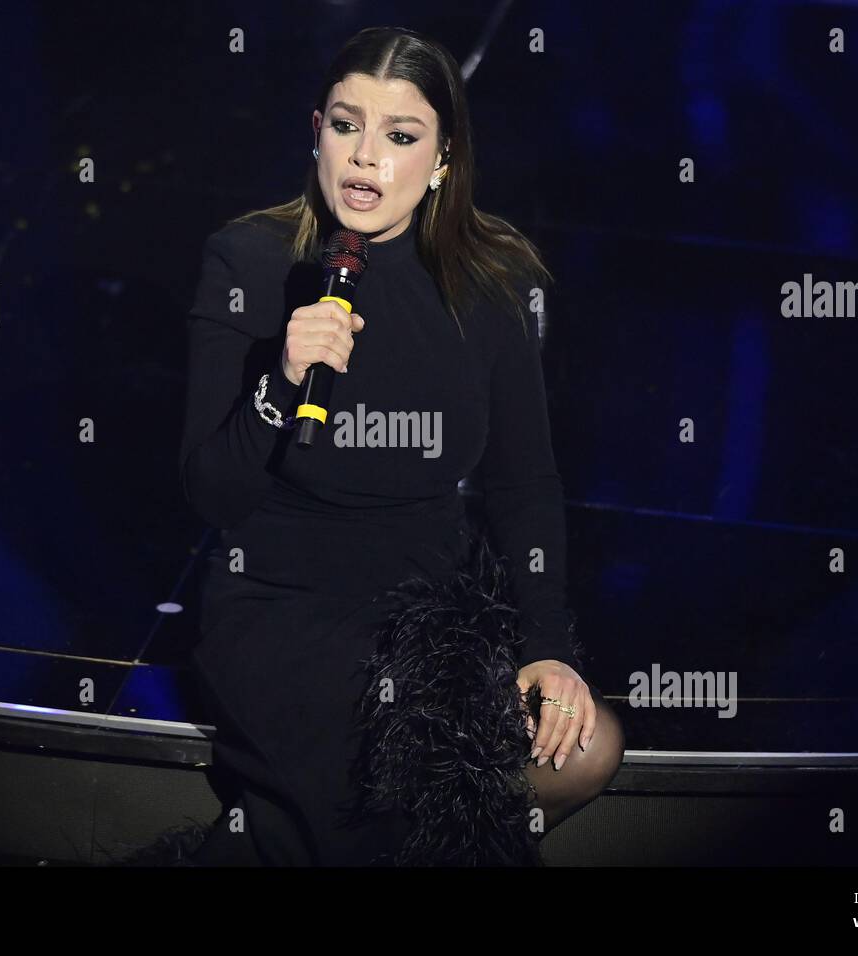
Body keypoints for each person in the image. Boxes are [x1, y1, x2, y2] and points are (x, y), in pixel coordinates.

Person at [177, 26, 624, 866]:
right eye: (346, 126)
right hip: (280, 608)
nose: (364, 159)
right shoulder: (249, 259)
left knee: (590, 746)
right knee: (390, 753)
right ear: (316, 132)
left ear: (443, 158)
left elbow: (524, 482)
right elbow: (212, 492)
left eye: (400, 136)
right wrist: (279, 377)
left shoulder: (494, 284)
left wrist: (546, 644)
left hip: (427, 610)